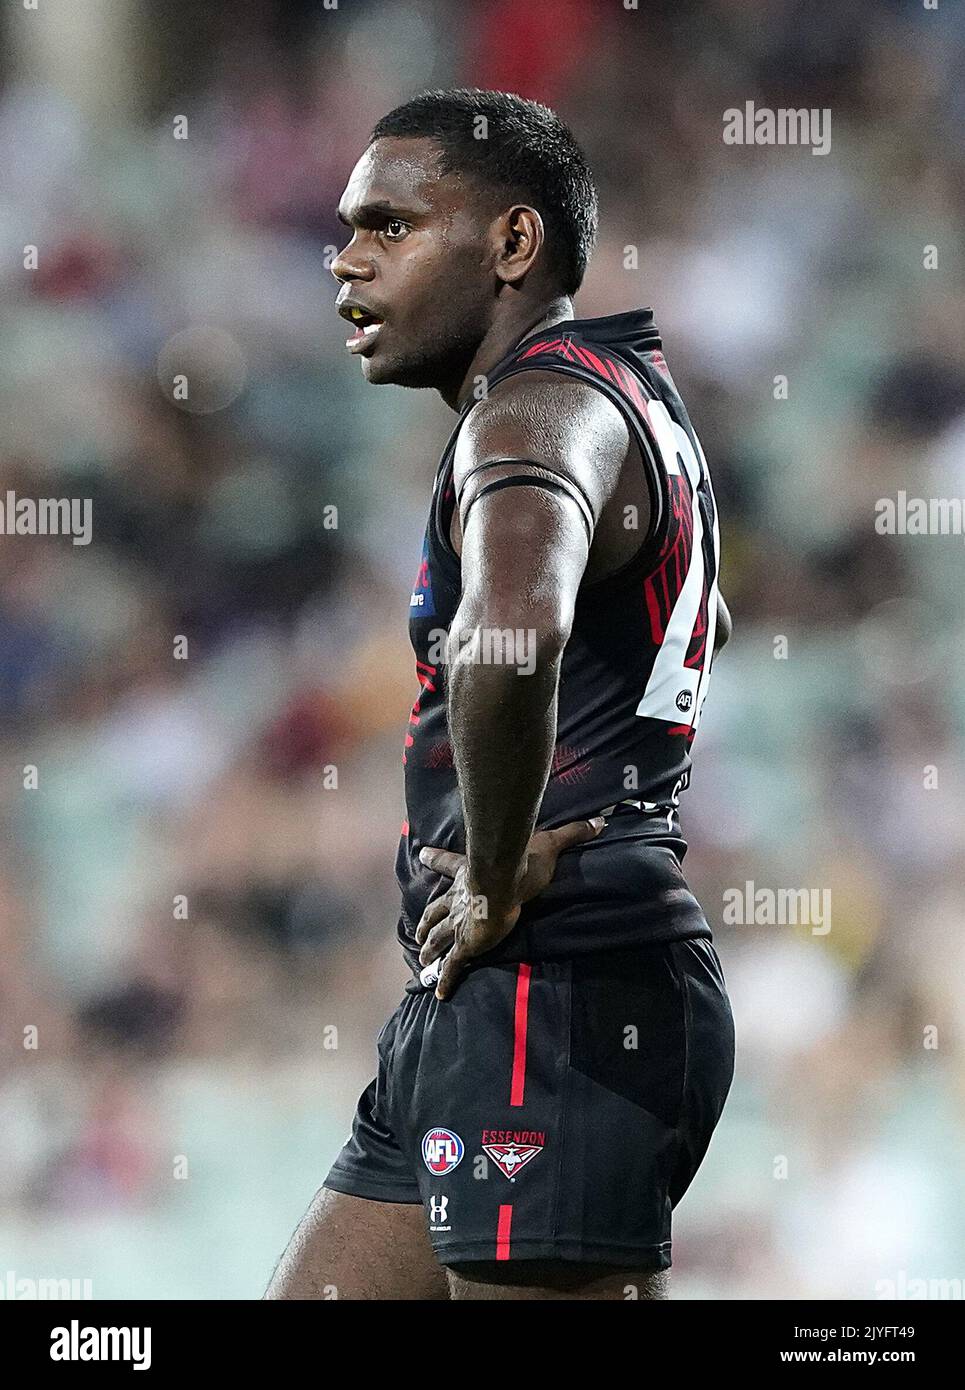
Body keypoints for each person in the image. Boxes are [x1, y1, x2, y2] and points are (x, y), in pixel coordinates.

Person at [265, 88, 734, 1302]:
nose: (346, 266)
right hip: (498, 995)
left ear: (513, 245)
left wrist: (490, 868)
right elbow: (699, 621)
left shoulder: (531, 410)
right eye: (344, 231)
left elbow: (511, 639)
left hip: (559, 991)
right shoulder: (632, 398)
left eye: (387, 228)